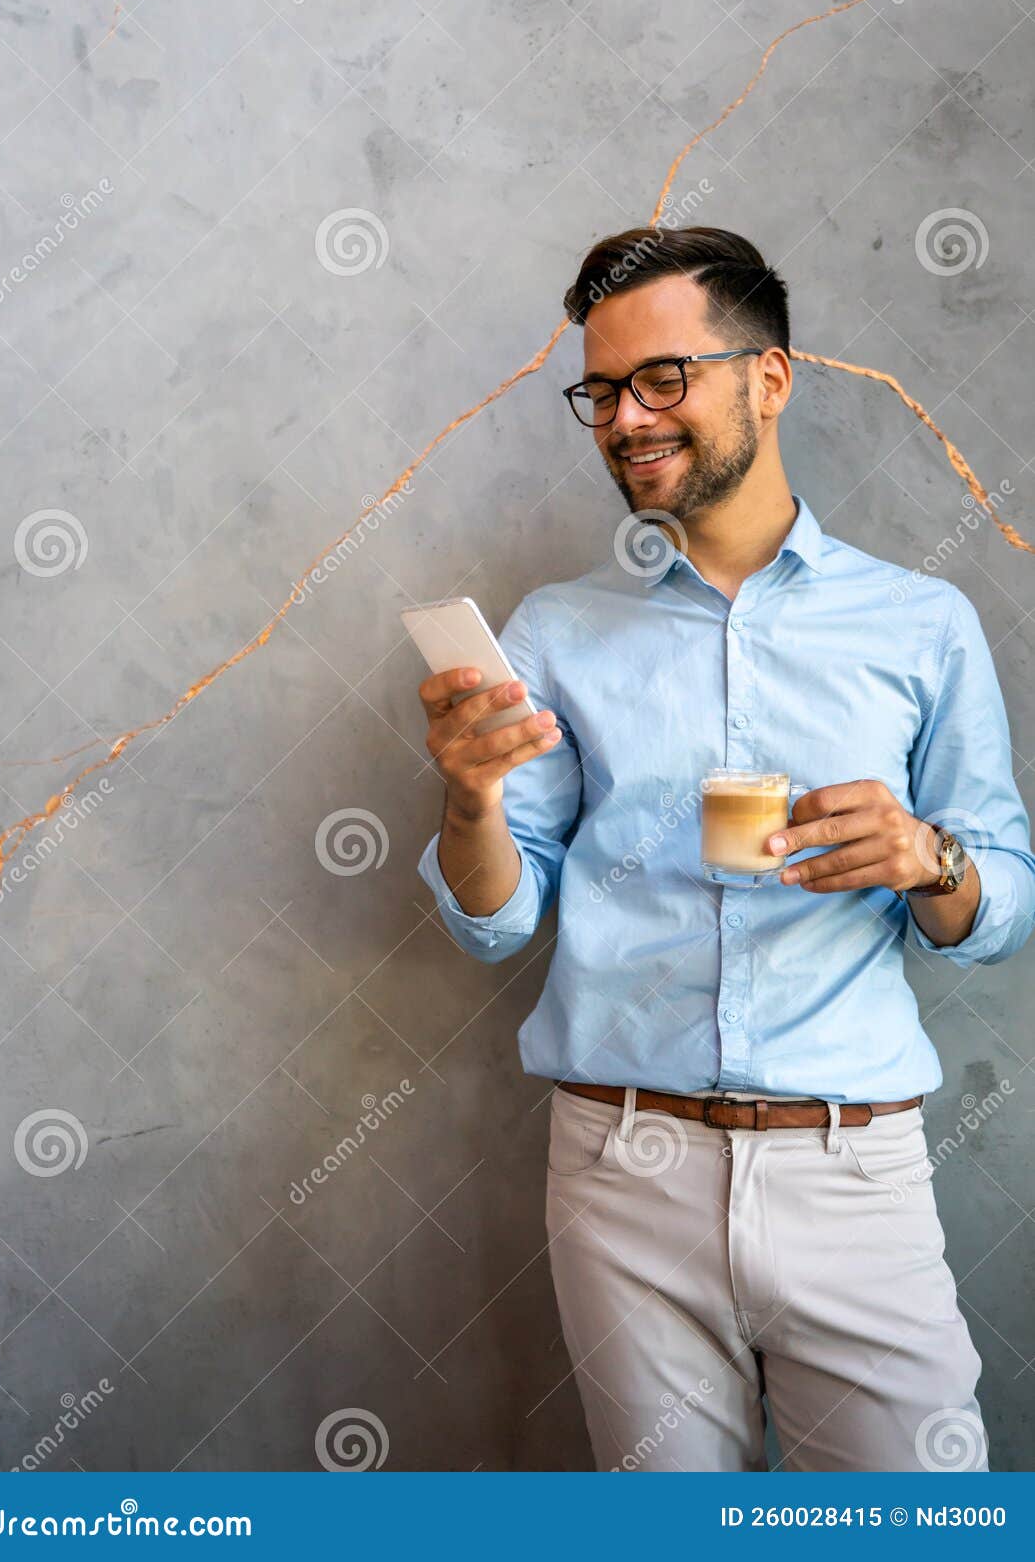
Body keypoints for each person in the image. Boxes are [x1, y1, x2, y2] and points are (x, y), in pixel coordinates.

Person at [414, 225, 1035, 1472]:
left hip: (849, 1168)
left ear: (768, 376)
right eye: (600, 391)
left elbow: (1003, 904)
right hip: (621, 1167)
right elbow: (494, 918)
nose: (624, 420)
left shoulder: (919, 623)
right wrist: (471, 802)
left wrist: (930, 860)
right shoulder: (557, 631)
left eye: (661, 379)